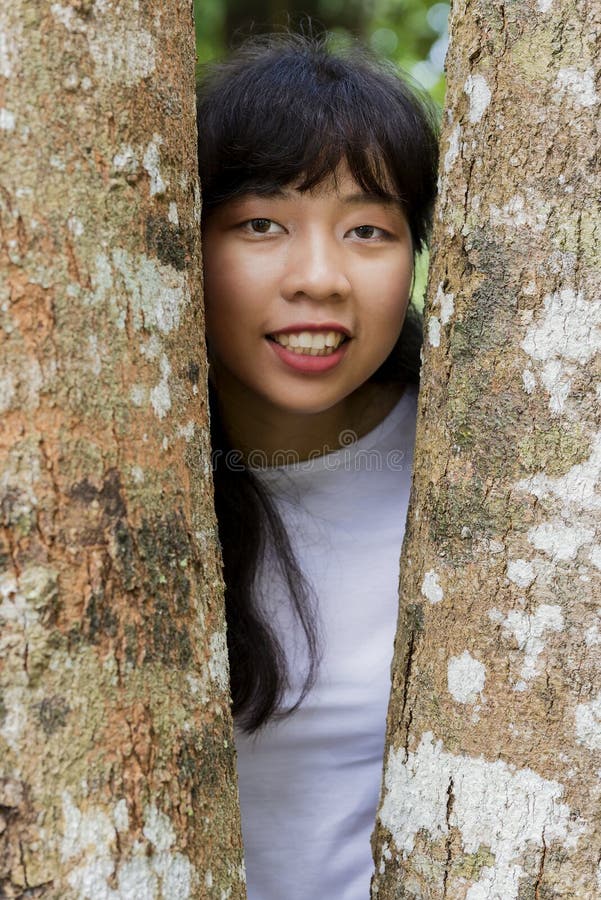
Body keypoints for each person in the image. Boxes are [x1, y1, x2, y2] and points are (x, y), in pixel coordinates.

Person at [196, 31, 439, 900]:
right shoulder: (111, 479)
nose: (321, 278)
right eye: (261, 224)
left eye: (368, 229)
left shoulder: (482, 474)